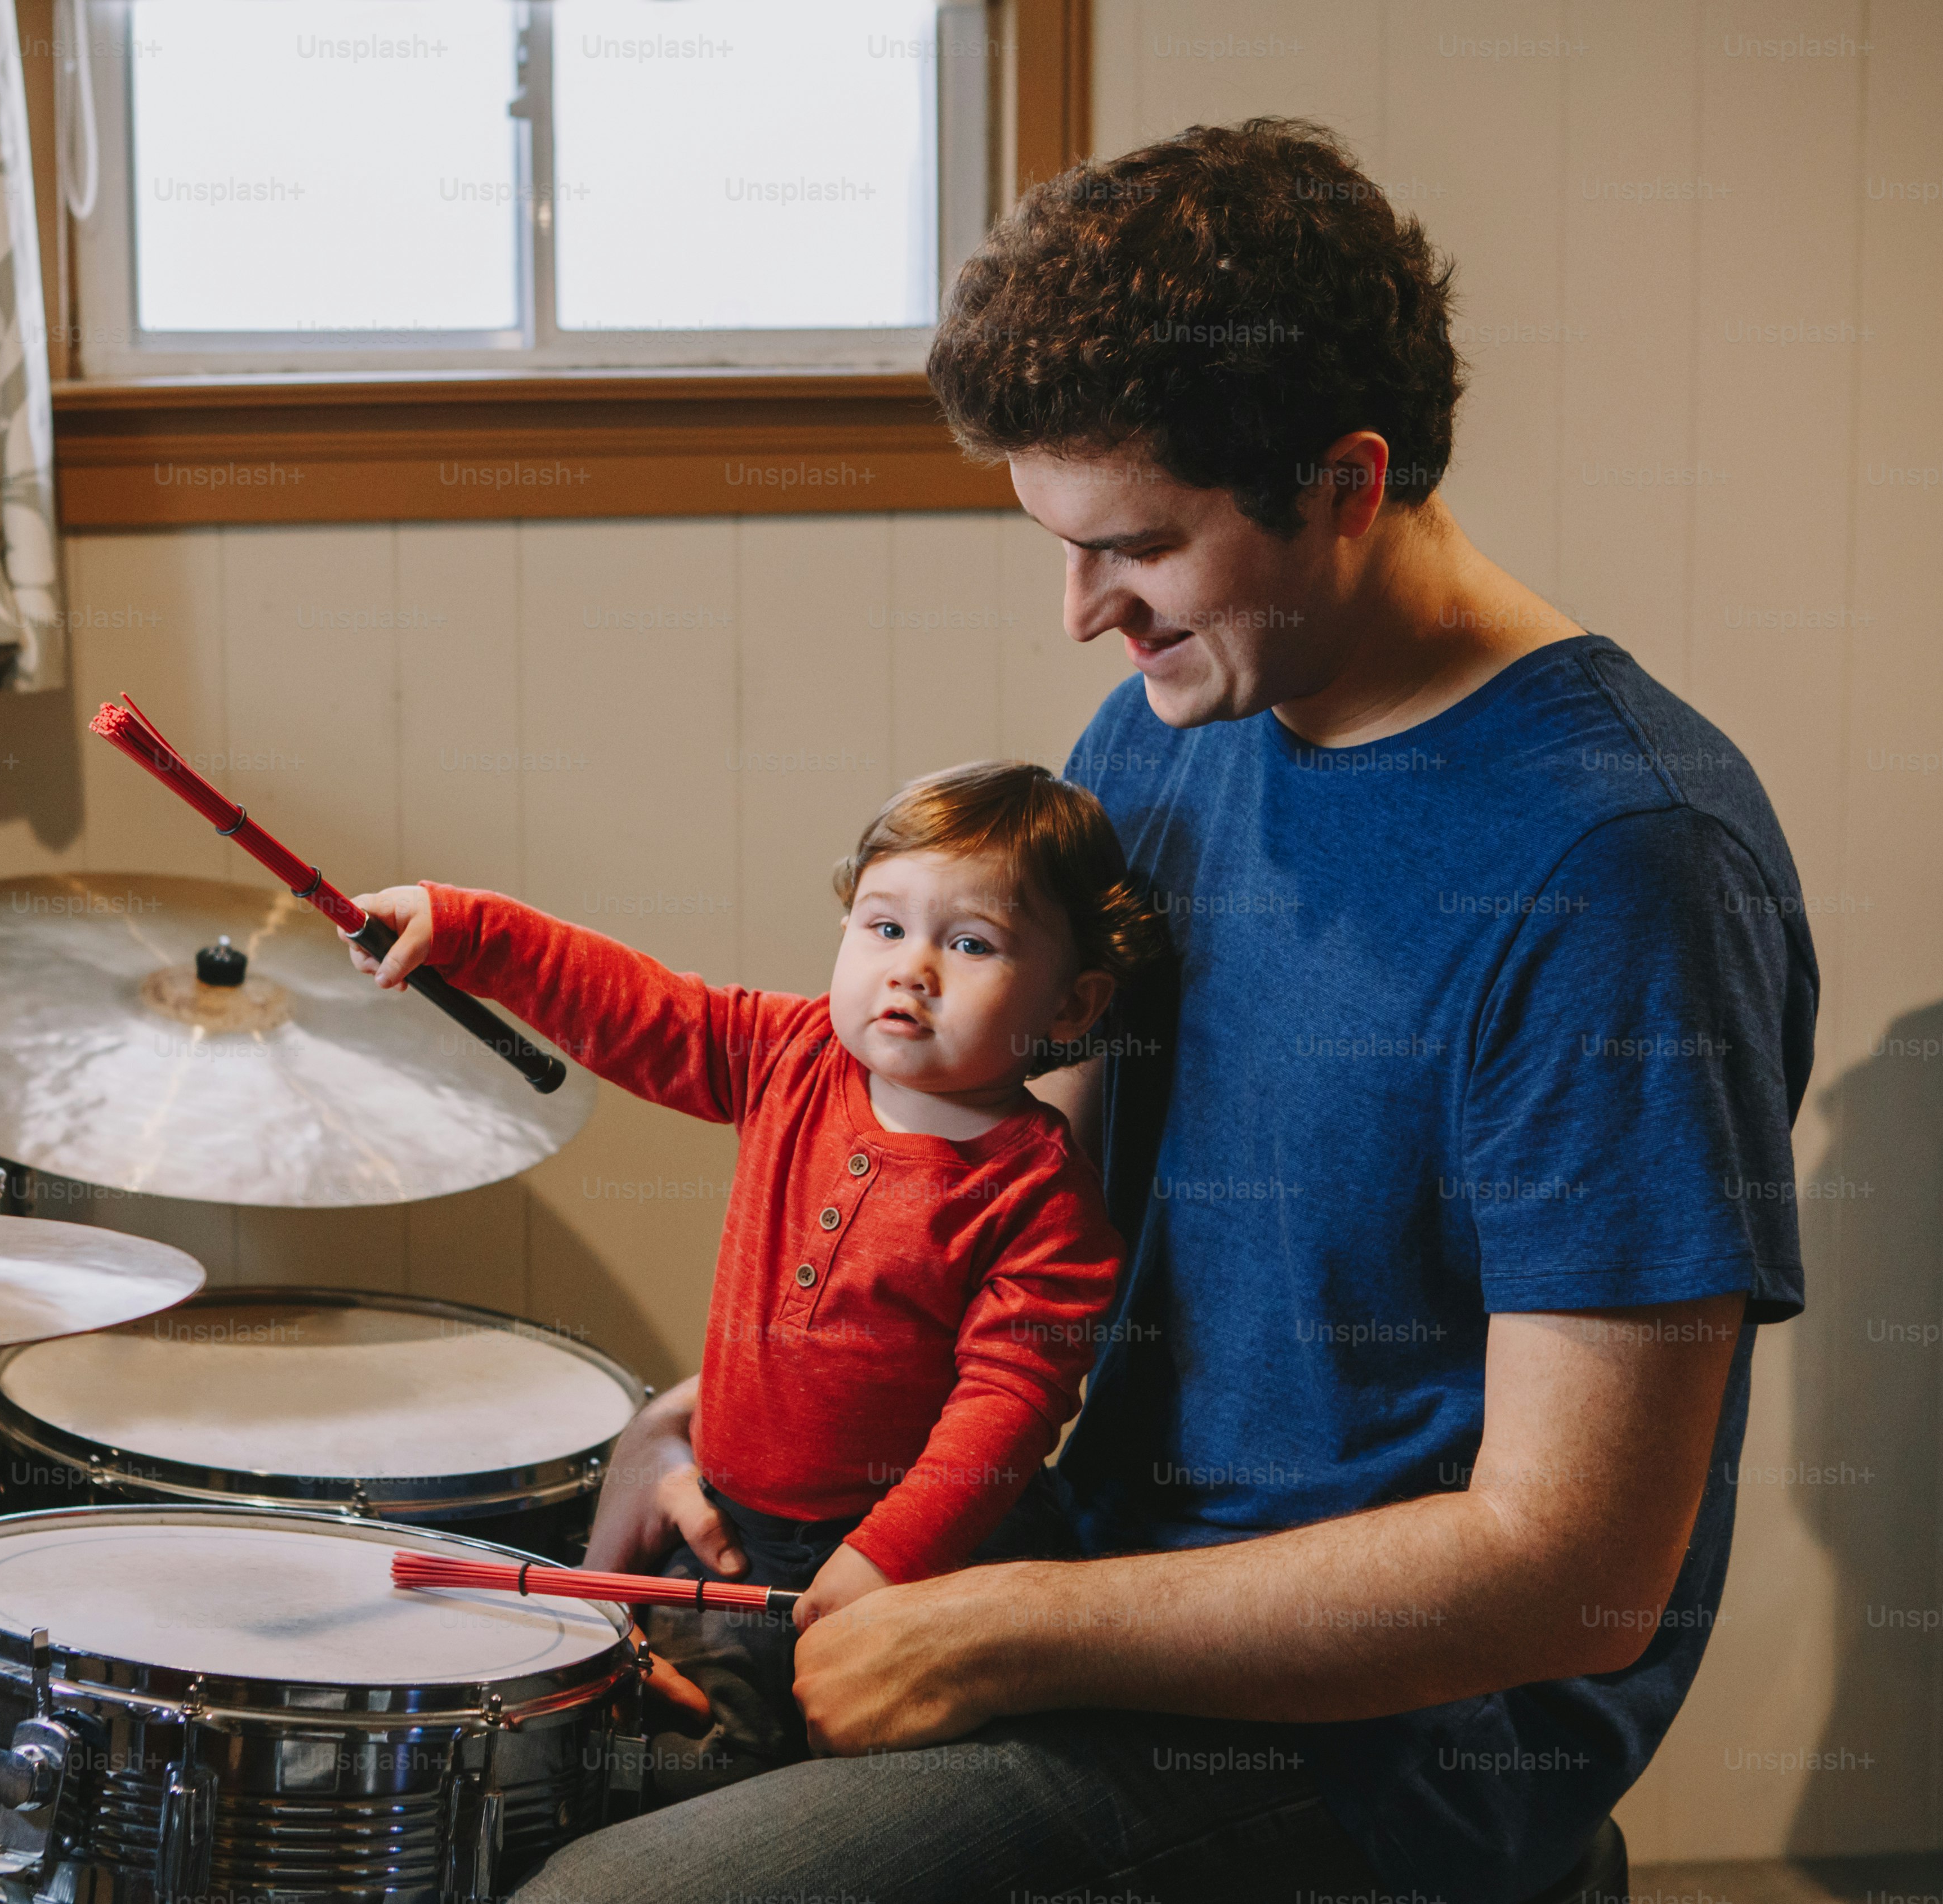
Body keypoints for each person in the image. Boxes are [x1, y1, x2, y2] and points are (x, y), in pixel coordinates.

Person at [509, 118, 1815, 1904]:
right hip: (1083, 1555)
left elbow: (1575, 1565)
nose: (1079, 613)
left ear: (1347, 482)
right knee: (528, 1772)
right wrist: (768, 1417)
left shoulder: (1621, 866)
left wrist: (1004, 1635)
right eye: (1058, 542)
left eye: (1134, 546)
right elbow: (1016, 1222)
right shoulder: (1165, 729)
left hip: (1384, 1745)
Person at [347, 761, 1165, 1798]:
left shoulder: (1041, 1195)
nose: (912, 970)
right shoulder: (788, 1053)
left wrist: (887, 1558)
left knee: (851, 1787)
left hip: (929, 1555)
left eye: (970, 944)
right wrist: (469, 930)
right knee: (648, 1764)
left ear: (1072, 1005)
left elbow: (1009, 1407)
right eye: (884, 927)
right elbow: (638, 1008)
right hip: (732, 1537)